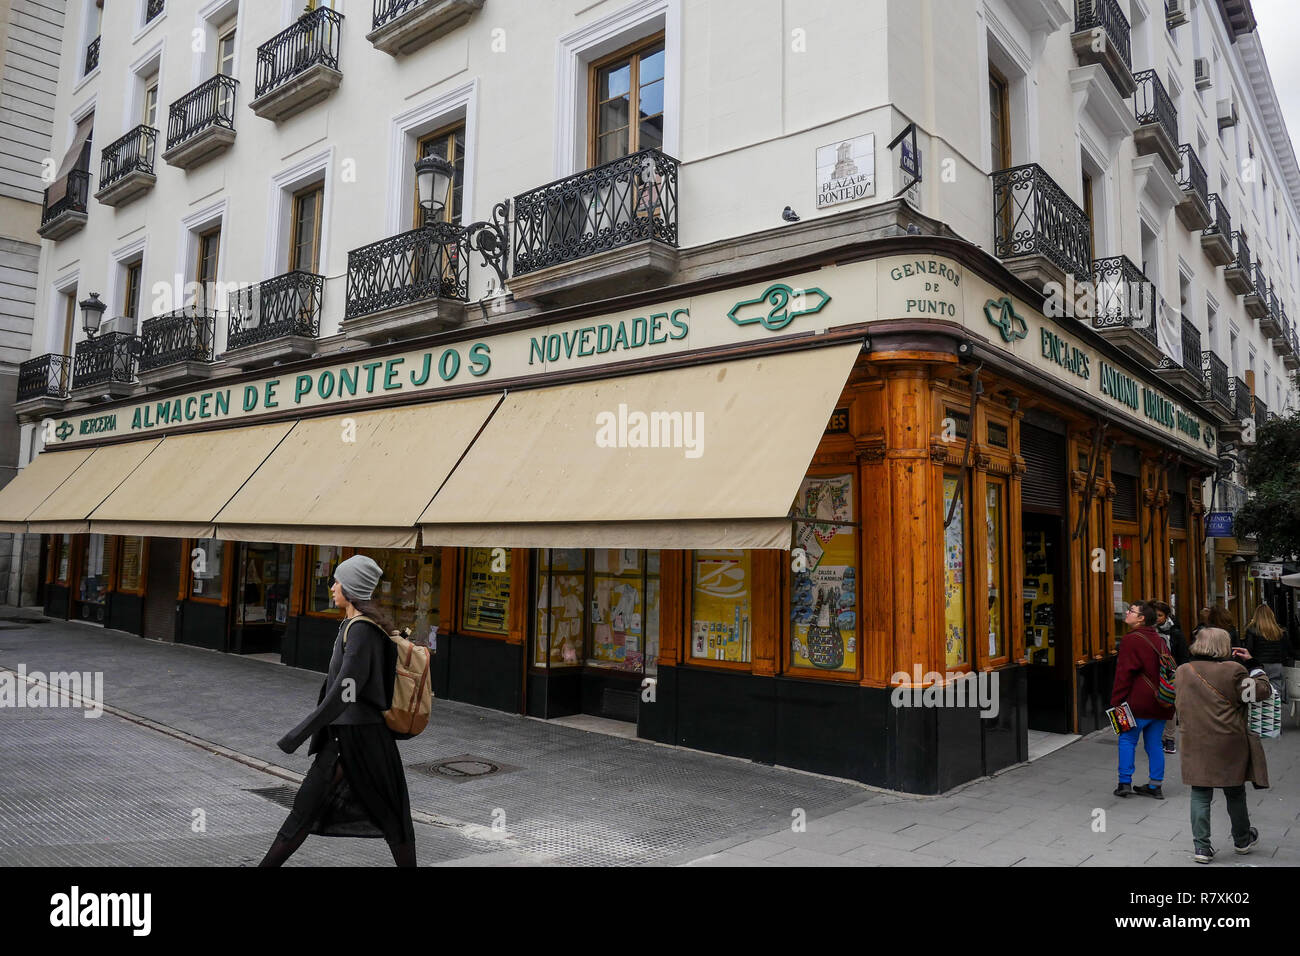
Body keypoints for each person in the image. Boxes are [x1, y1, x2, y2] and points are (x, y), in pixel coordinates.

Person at [258, 555, 417, 867]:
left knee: (391, 815)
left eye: (338, 581)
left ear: (352, 588)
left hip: (361, 738)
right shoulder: (355, 626)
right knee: (307, 811)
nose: (332, 587)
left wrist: (296, 735)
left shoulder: (361, 631)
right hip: (348, 737)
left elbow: (345, 691)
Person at [1175, 627, 1272, 864]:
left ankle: (1202, 848)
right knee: (1235, 791)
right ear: (1224, 646)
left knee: (1199, 793)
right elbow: (1259, 693)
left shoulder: (1183, 671)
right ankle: (1242, 839)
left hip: (1194, 740)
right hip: (1229, 740)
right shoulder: (1234, 670)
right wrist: (1255, 666)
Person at [1111, 601, 1175, 799]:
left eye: (1132, 611)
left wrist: (1117, 701)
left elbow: (1124, 673)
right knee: (1154, 744)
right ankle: (1156, 786)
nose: (1127, 613)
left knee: (1127, 740)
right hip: (1161, 700)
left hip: (1136, 701)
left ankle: (1124, 783)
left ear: (1141, 618)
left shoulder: (1131, 640)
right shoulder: (1159, 639)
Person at [1153, 602, 1188, 754]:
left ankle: (1169, 739)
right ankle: (1158, 738)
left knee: (1170, 707)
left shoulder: (1175, 633)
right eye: (1154, 615)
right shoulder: (1149, 632)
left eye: (1159, 615)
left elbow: (1183, 656)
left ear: (1167, 616)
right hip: (1153, 674)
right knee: (1155, 706)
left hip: (1171, 675)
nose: (1156, 618)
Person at [1243, 604, 1296, 702]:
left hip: (1258, 667)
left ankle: (1260, 713)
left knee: (1258, 692)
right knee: (1276, 693)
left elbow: (1249, 649)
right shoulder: (1280, 631)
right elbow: (1288, 650)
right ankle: (1275, 711)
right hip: (1277, 666)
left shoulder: (1251, 630)